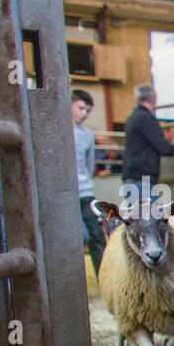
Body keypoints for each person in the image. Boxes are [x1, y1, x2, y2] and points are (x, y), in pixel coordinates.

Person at [121, 83, 174, 213]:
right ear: (155, 100)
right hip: (142, 180)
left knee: (139, 220)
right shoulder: (146, 119)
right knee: (149, 221)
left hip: (133, 178)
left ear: (136, 99)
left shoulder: (132, 118)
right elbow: (162, 147)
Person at [71, 89, 106, 276]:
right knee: (79, 236)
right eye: (80, 108)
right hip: (65, 195)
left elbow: (90, 163)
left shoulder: (87, 135)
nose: (83, 114)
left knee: (97, 235)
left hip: (85, 192)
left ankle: (103, 278)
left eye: (88, 110)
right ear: (70, 105)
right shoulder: (57, 130)